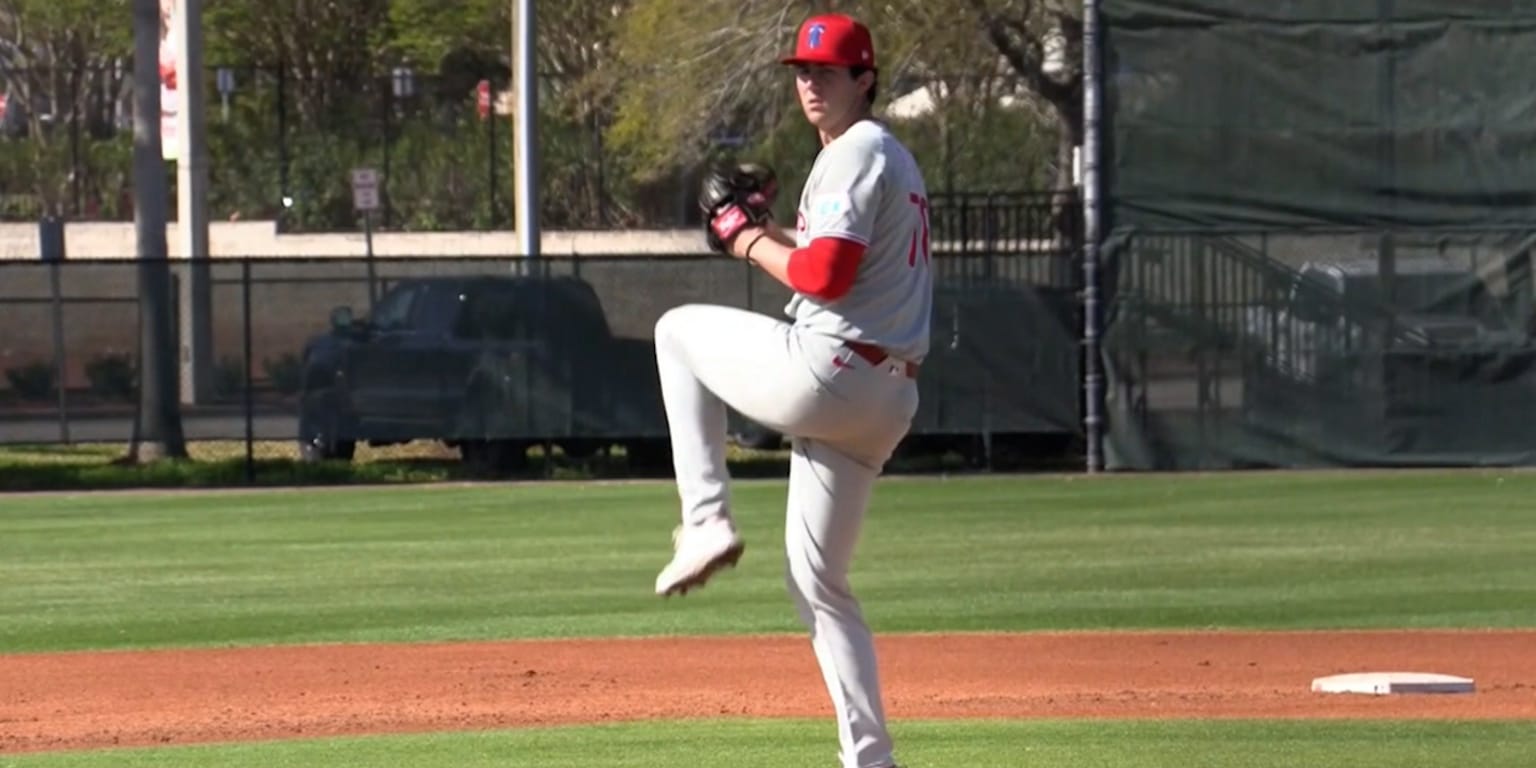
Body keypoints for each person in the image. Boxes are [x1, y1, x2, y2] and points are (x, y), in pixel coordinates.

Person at [650, 12, 930, 768]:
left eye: (827, 71)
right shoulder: (888, 157)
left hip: (831, 371)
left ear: (865, 79)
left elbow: (824, 278)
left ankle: (705, 518)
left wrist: (742, 236)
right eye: (802, 71)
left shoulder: (854, 151)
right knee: (819, 584)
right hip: (885, 396)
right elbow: (834, 265)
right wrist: (765, 230)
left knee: (675, 332)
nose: (810, 82)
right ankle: (870, 759)